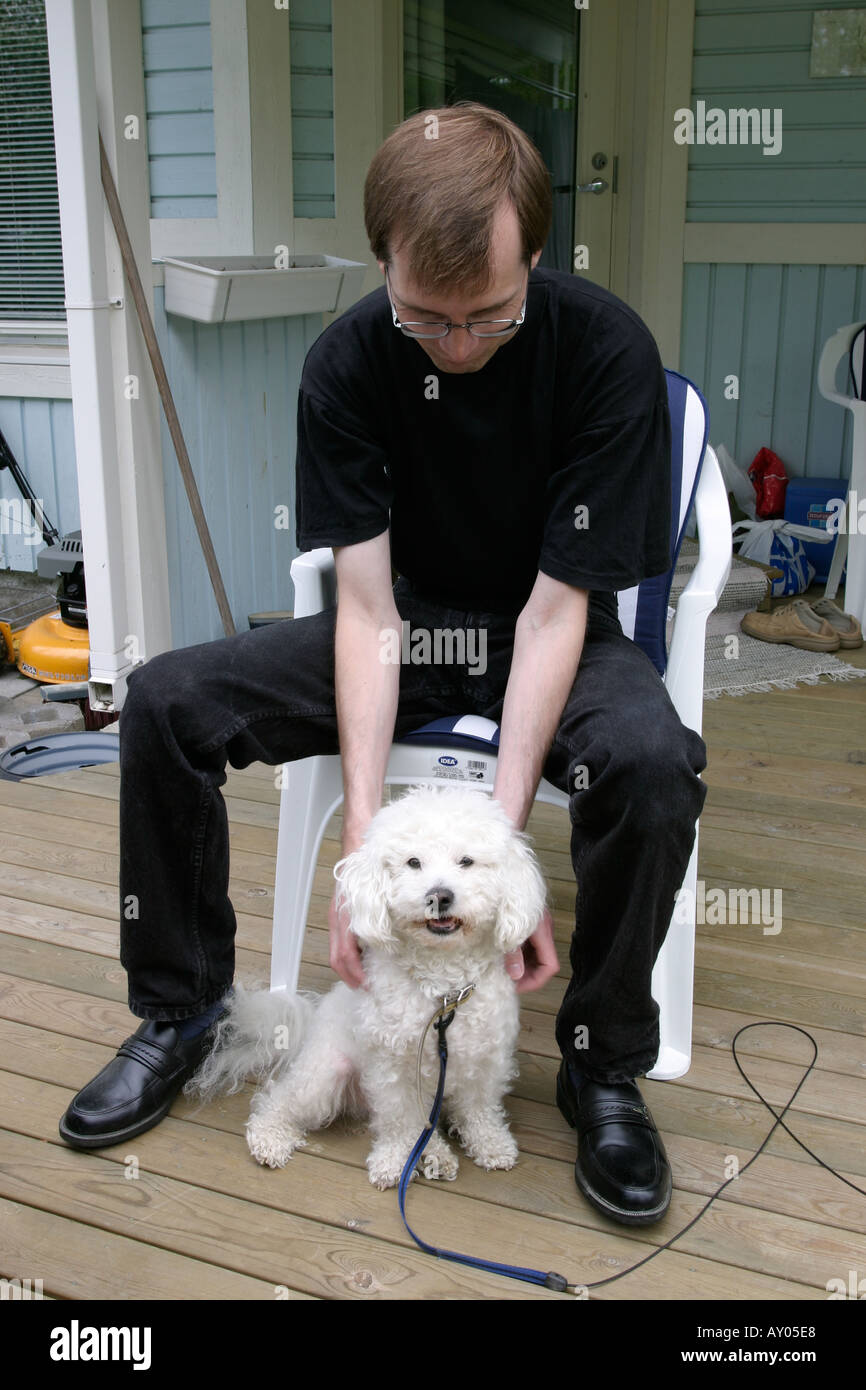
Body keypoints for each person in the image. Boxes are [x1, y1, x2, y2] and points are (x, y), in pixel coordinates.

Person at [59, 102, 707, 1227]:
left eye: (488, 317)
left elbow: (557, 613)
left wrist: (499, 870)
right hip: (398, 624)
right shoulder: (348, 361)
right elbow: (362, 611)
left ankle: (600, 1062)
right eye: (425, 318)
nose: (455, 347)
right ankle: (182, 1011)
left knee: (653, 764)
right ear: (381, 264)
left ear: (534, 257)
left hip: (543, 625)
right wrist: (365, 855)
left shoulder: (605, 353)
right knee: (165, 700)